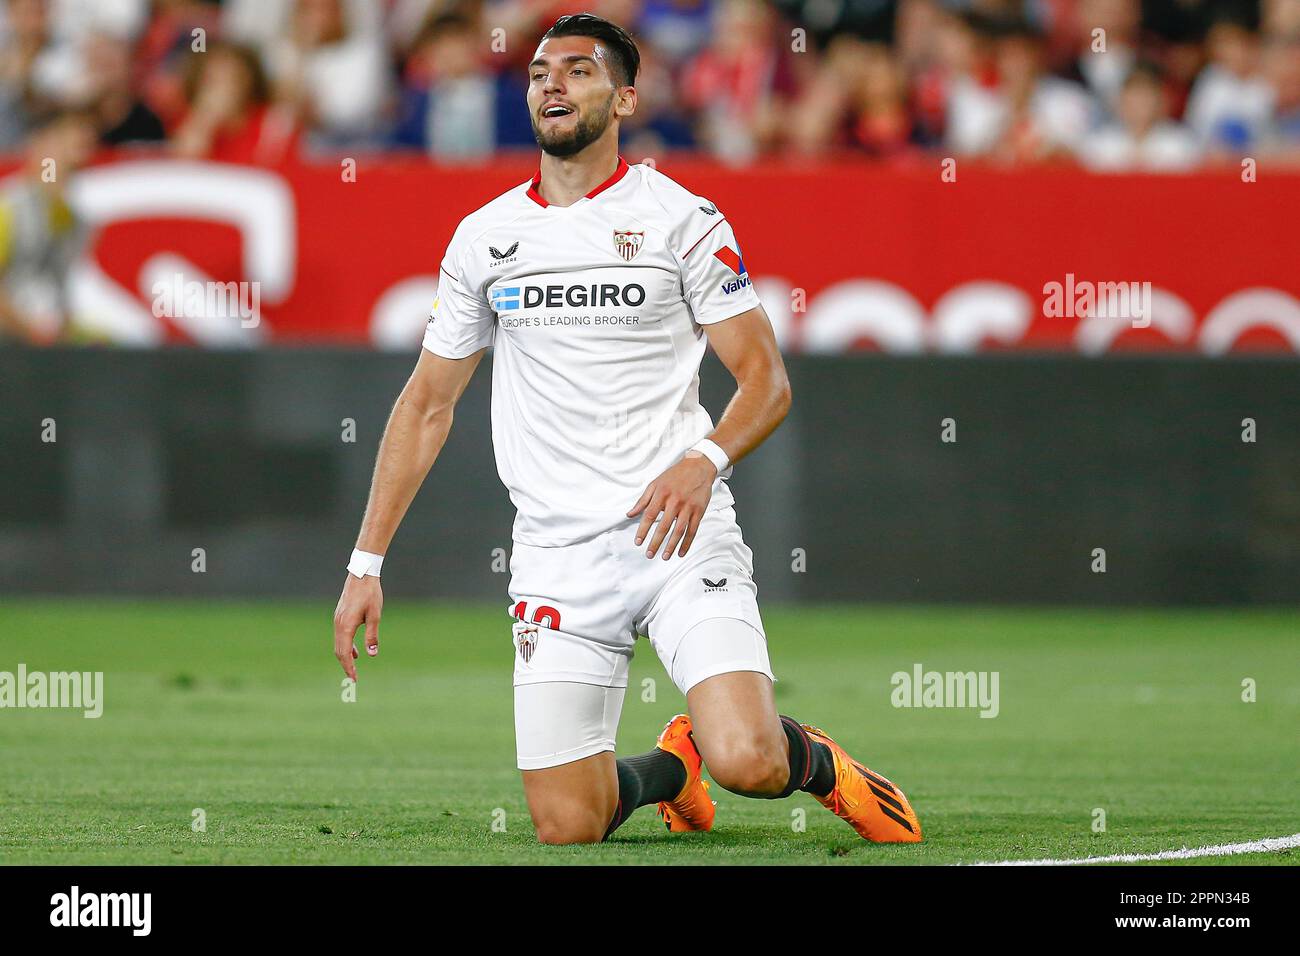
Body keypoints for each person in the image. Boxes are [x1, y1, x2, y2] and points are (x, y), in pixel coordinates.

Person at [331, 13, 923, 846]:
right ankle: (671, 771)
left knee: (749, 759)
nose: (552, 84)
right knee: (566, 825)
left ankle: (819, 764)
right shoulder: (485, 238)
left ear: (626, 97)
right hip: (556, 552)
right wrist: (366, 563)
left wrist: (704, 460)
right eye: (540, 71)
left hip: (678, 532)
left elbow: (767, 380)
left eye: (578, 71)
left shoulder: (682, 219)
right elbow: (427, 404)